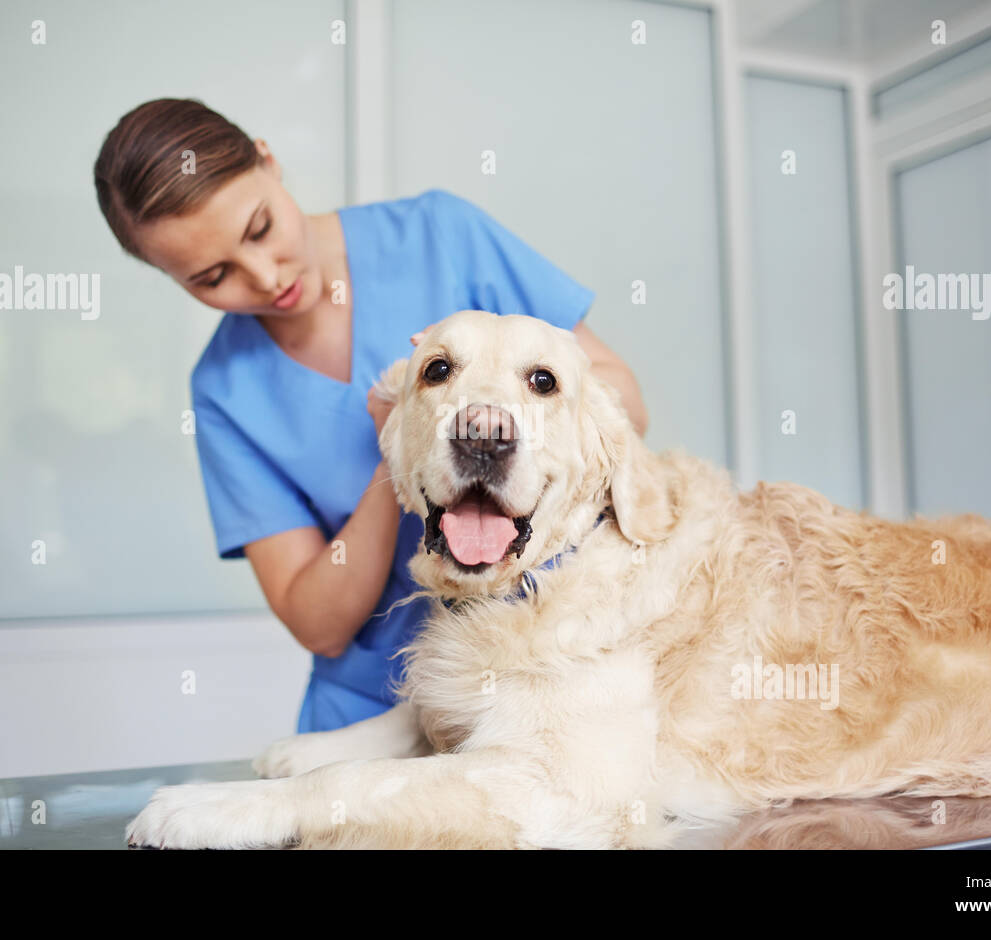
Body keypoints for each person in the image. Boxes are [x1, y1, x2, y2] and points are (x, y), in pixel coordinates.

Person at [94, 98, 648, 733]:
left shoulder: (443, 235)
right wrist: (403, 441)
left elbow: (625, 403)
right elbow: (318, 625)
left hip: (532, 676)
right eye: (213, 276)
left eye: (259, 228)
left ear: (269, 161)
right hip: (365, 710)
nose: (266, 276)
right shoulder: (224, 391)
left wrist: (503, 412)